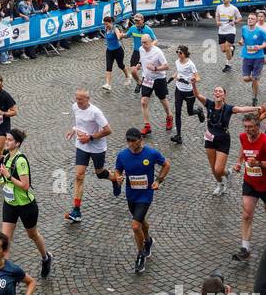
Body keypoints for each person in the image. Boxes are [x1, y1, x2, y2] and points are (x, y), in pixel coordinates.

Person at [0, 129, 54, 278]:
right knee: (5, 239)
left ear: (17, 143)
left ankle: (46, 257)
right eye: (6, 139)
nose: (6, 141)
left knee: (32, 234)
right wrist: (0, 178)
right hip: (10, 203)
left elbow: (25, 185)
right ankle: (3, 274)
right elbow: (6, 181)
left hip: (26, 206)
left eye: (9, 140)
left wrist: (8, 176)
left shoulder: (20, 161)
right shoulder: (7, 157)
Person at [112, 127, 170, 274]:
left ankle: (140, 254)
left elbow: (166, 165)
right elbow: (117, 170)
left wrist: (158, 181)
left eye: (133, 141)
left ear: (141, 140)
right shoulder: (122, 155)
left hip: (145, 195)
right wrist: (118, 177)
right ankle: (148, 240)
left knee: (135, 226)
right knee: (141, 221)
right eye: (128, 141)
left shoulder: (151, 153)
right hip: (131, 195)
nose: (130, 144)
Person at [193, 84, 261, 196]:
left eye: (220, 91)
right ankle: (220, 184)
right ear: (213, 94)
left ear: (224, 95)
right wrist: (193, 84)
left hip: (223, 140)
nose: (218, 93)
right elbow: (196, 94)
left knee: (219, 169)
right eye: (216, 91)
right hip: (210, 139)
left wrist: (256, 108)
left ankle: (227, 173)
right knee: (213, 169)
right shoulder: (209, 104)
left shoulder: (229, 108)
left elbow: (241, 109)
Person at [63, 88, 119, 224]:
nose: (77, 102)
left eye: (80, 99)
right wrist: (74, 130)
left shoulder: (95, 112)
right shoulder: (75, 107)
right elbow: (79, 123)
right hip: (82, 145)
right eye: (76, 98)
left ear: (87, 99)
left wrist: (90, 137)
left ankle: (114, 179)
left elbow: (108, 130)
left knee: (99, 173)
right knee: (79, 176)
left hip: (97, 147)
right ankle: (76, 210)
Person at [234, 113, 266, 263]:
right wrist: (238, 162)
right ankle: (245, 249)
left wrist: (259, 164)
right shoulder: (243, 137)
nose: (248, 130)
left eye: (251, 127)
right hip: (250, 182)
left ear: (258, 126)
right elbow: (243, 149)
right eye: (246, 127)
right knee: (247, 214)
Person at [136, 34, 171, 137]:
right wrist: (139, 64)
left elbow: (167, 66)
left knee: (162, 99)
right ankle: (147, 126)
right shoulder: (141, 49)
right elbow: (142, 58)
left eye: (145, 42)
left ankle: (169, 116)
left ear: (150, 42)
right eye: (142, 42)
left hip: (159, 79)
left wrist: (155, 69)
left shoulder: (158, 52)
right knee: (143, 101)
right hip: (147, 78)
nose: (143, 45)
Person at [170, 45, 200, 145]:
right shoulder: (177, 62)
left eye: (180, 53)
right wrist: (170, 79)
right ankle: (178, 136)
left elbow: (197, 77)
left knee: (190, 112)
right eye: (177, 52)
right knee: (177, 112)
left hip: (189, 92)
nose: (178, 54)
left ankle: (199, 111)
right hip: (179, 90)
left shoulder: (190, 64)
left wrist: (193, 80)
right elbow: (178, 72)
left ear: (184, 53)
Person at [239, 13, 266, 101]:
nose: (250, 20)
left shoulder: (260, 31)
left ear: (256, 21)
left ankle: (255, 97)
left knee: (255, 79)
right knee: (245, 78)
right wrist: (241, 41)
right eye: (249, 18)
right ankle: (255, 80)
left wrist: (260, 47)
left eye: (252, 19)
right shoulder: (244, 28)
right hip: (247, 56)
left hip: (258, 57)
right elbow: (243, 37)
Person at [100, 15, 131, 92]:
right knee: (108, 67)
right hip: (109, 51)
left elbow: (118, 36)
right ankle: (108, 84)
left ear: (111, 23)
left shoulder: (115, 29)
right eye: (104, 24)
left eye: (107, 24)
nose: (106, 25)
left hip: (118, 50)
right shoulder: (105, 29)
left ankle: (128, 76)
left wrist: (120, 36)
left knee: (120, 65)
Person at [214, 0, 241, 73]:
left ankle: (228, 64)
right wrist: (217, 22)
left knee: (227, 47)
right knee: (223, 50)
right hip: (221, 31)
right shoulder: (219, 7)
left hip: (231, 30)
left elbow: (239, 18)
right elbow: (217, 16)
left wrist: (235, 22)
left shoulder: (233, 8)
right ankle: (232, 48)